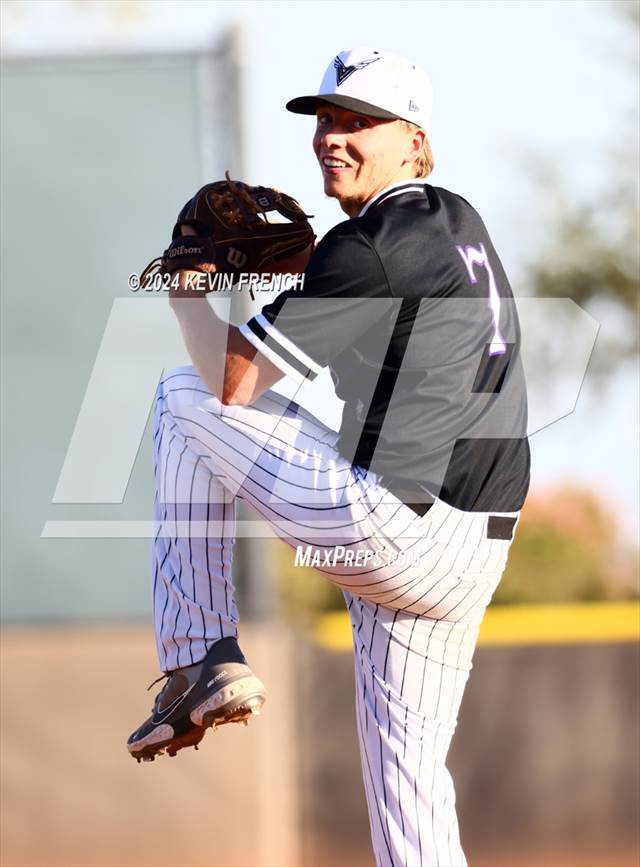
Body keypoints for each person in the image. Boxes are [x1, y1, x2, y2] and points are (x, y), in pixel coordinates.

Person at [128, 46, 530, 867]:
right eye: (327, 120)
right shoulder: (455, 221)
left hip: (395, 529)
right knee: (409, 791)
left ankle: (198, 658)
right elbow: (370, 264)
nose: (334, 137)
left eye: (361, 123)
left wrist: (189, 288)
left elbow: (234, 382)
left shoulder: (371, 248)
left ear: (415, 140)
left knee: (183, 397)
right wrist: (305, 258)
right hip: (473, 548)